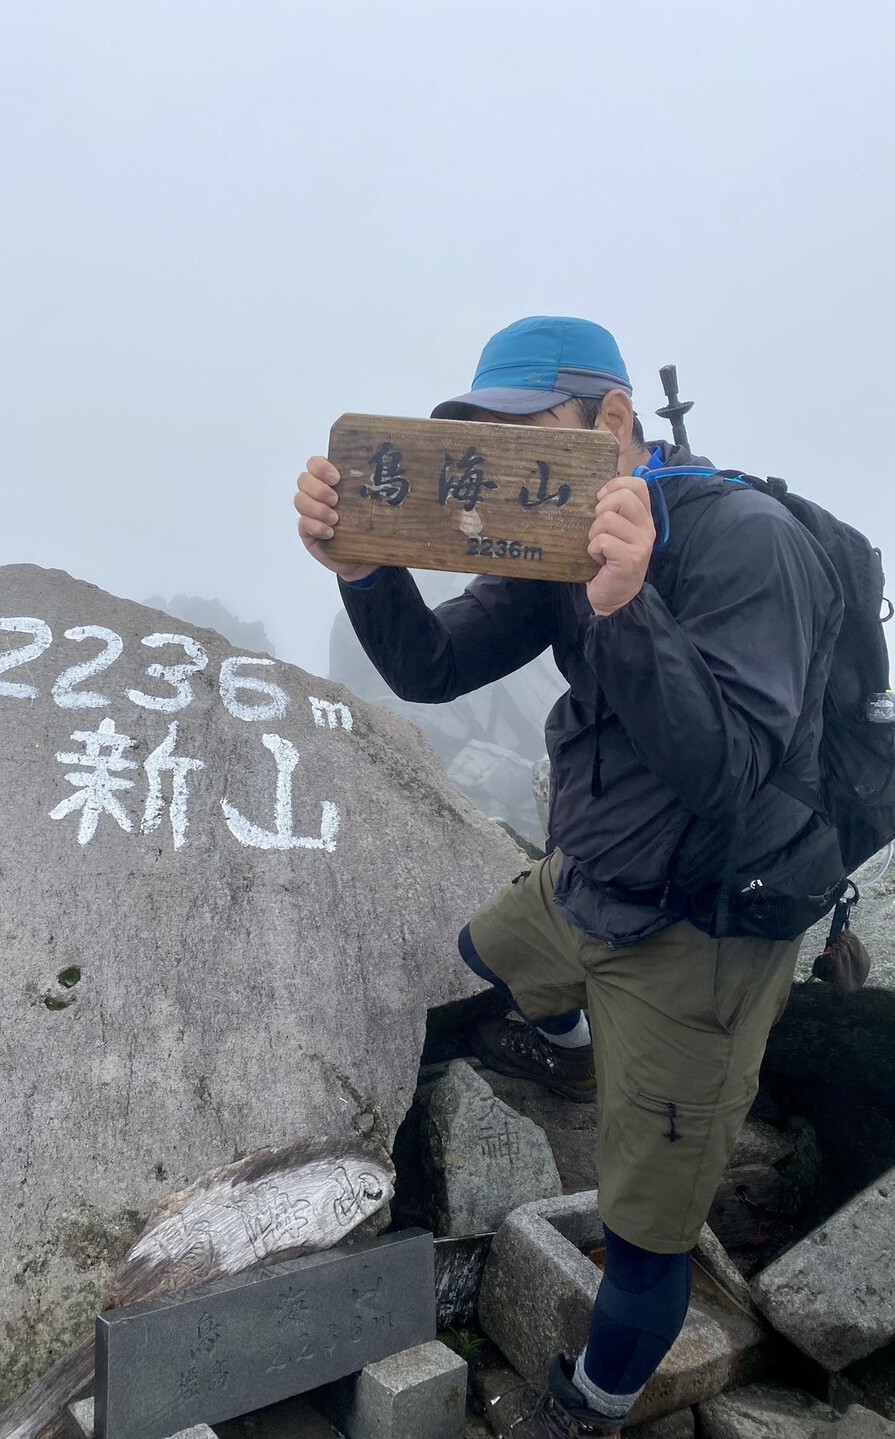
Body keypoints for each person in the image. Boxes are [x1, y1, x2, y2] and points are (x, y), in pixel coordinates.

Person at [294, 316, 844, 1436]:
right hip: (591, 875)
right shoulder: (545, 525)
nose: (503, 454)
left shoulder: (746, 545)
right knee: (476, 960)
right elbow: (430, 665)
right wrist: (366, 567)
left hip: (703, 933)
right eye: (482, 434)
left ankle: (590, 1403)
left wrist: (624, 601)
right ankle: (573, 1042)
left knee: (645, 1234)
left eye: (523, 428)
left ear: (613, 421)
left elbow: (727, 774)